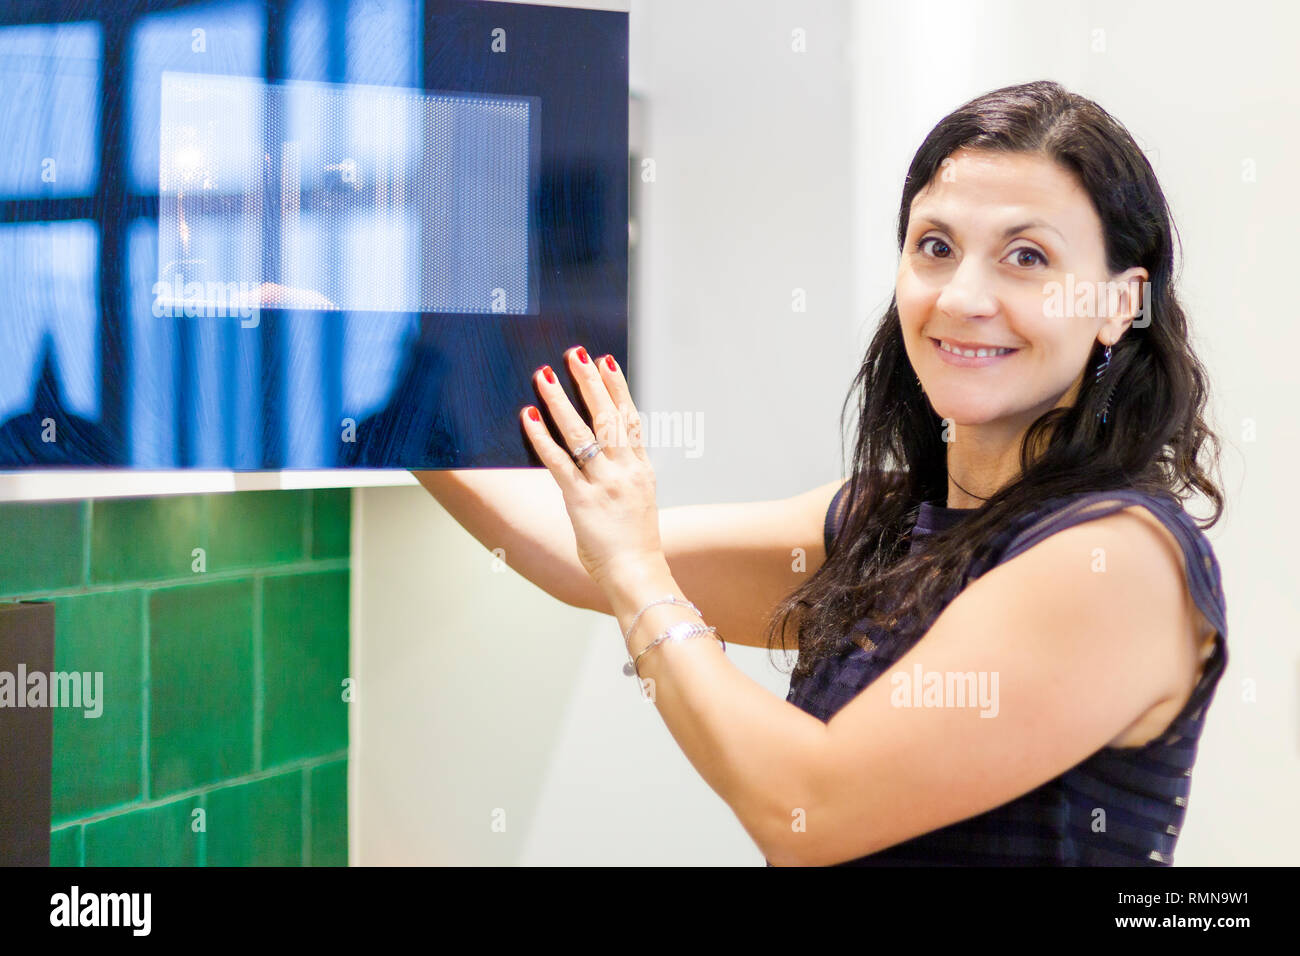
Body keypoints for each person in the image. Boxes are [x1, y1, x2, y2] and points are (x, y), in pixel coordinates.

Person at [414, 80, 1227, 867]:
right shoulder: (876, 524)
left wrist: (633, 567)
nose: (964, 296)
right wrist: (376, 383)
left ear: (1122, 303)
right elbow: (572, 551)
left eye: (1027, 256)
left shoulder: (1116, 561)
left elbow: (808, 812)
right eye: (935, 247)